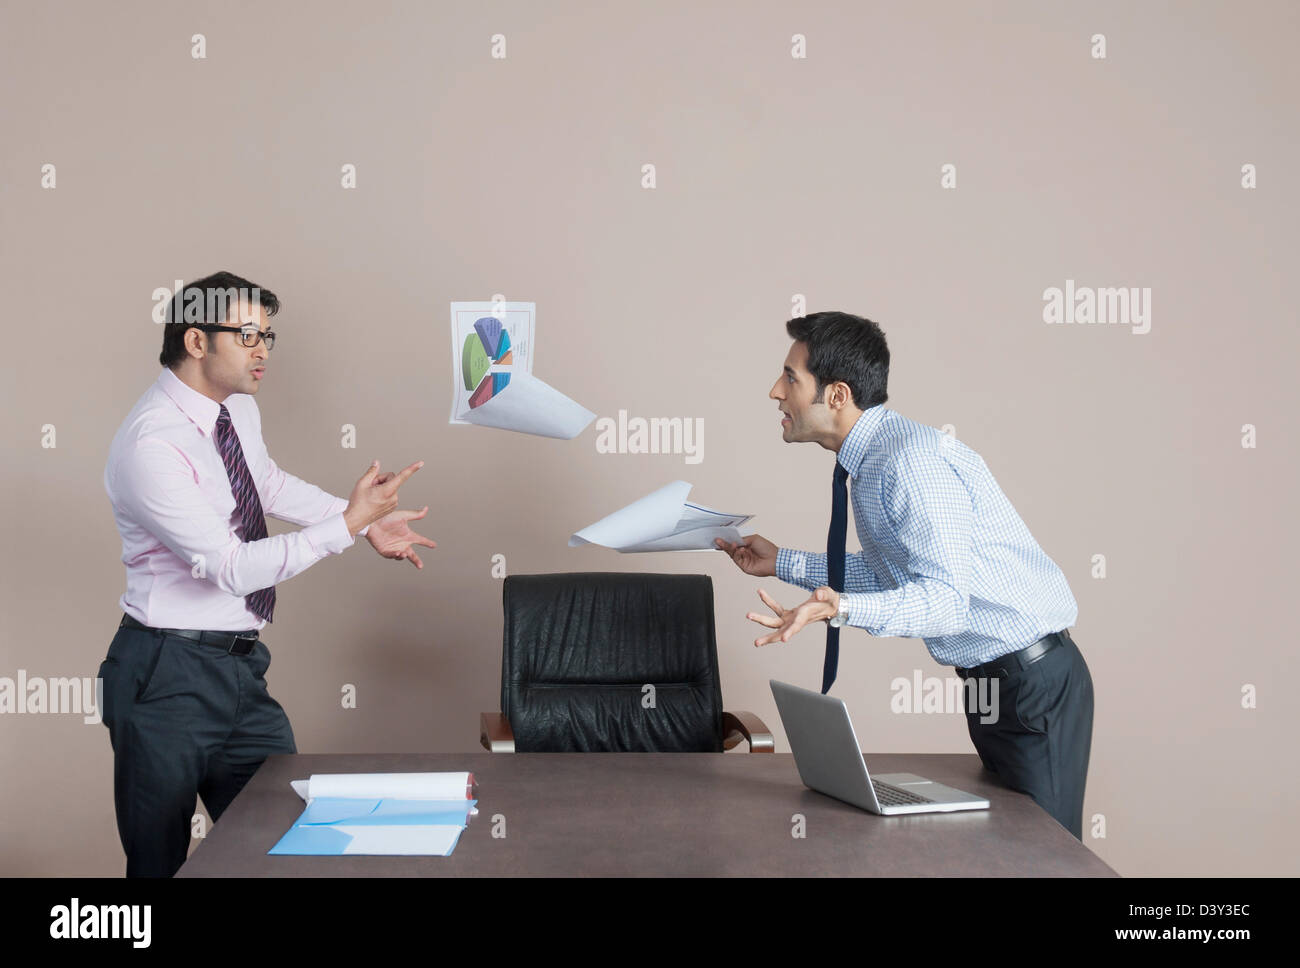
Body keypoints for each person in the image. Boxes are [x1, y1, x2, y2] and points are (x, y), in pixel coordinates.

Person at [100, 270, 436, 876]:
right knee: (158, 865)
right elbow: (228, 568)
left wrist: (361, 520)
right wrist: (346, 526)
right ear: (197, 341)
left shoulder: (237, 412)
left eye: (268, 336)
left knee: (281, 843)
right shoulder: (151, 444)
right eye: (248, 335)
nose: (263, 351)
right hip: (164, 676)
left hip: (240, 668)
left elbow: (265, 484)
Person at [716, 311, 1094, 840]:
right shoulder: (872, 460)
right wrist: (781, 563)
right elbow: (890, 573)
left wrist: (840, 608)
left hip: (1031, 682)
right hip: (993, 682)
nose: (775, 391)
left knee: (1044, 857)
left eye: (791, 377)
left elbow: (945, 602)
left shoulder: (906, 464)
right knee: (1007, 851)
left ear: (838, 395)